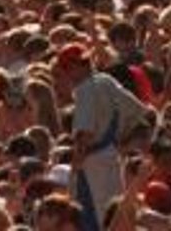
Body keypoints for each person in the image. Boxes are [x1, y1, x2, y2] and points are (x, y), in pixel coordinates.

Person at [56, 45, 152, 231]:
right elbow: (140, 112)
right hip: (112, 155)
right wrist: (122, 141)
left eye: (70, 67)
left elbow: (85, 133)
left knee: (95, 216)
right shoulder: (106, 81)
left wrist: (76, 163)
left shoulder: (84, 89)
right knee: (114, 210)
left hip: (92, 160)